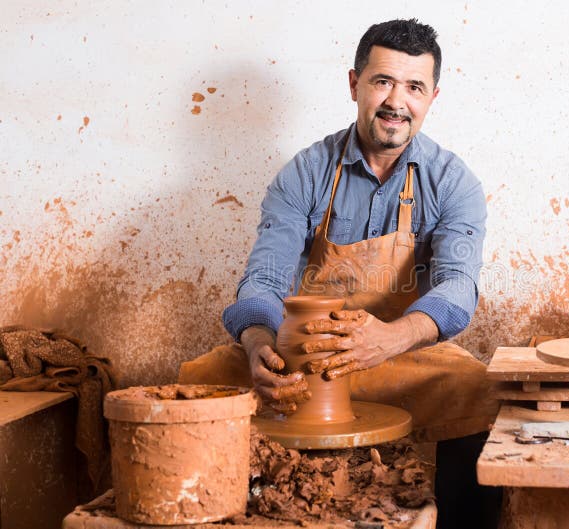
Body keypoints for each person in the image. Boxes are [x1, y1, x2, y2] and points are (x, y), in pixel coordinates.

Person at [179, 19, 500, 529]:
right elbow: (263, 277)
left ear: (432, 96)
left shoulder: (452, 181)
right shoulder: (306, 173)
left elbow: (458, 289)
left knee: (476, 386)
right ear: (355, 84)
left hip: (400, 352)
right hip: (306, 356)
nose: (397, 101)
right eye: (382, 82)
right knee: (201, 379)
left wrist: (392, 338)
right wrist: (259, 342)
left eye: (414, 87)